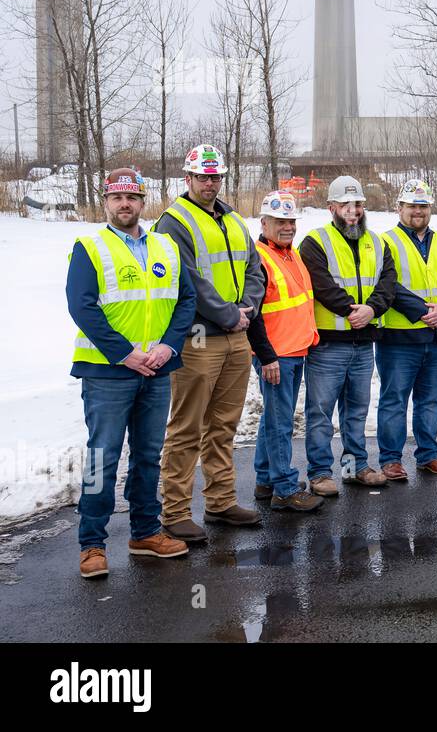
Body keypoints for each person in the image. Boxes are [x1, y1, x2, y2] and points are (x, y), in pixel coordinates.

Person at [67, 168, 196, 578]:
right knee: (100, 457)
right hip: (107, 373)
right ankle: (91, 545)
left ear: (144, 202)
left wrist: (168, 346)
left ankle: (144, 533)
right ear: (106, 202)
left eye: (133, 197)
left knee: (147, 456)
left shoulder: (166, 246)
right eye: (117, 198)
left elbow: (185, 302)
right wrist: (125, 354)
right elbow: (82, 306)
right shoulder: (90, 245)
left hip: (156, 370)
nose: (125, 204)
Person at [154, 144, 266, 543]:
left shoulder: (233, 217)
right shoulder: (174, 221)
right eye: (202, 176)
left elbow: (256, 268)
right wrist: (227, 313)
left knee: (223, 426)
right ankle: (176, 511)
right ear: (187, 179)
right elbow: (187, 280)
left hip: (237, 336)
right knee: (187, 428)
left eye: (215, 176)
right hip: (198, 339)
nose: (209, 183)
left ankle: (220, 501)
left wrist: (247, 308)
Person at [298, 174, 397, 492]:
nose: (353, 211)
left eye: (358, 204)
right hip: (328, 343)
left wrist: (372, 310)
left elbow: (388, 281)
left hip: (362, 342)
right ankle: (320, 473)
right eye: (345, 205)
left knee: (356, 411)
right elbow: (320, 282)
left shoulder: (377, 242)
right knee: (321, 411)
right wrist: (352, 311)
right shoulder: (315, 241)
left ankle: (355, 467)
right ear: (331, 207)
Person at [377, 179, 437, 480]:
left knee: (430, 400)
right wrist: (422, 311)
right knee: (395, 399)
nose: (418, 211)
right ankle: (391, 459)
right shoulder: (384, 242)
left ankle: (429, 454)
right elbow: (387, 284)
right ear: (399, 208)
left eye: (423, 206)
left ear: (430, 208)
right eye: (412, 206)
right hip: (399, 336)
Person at [247, 190, 324, 512]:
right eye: (279, 222)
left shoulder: (290, 254)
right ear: (264, 223)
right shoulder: (260, 259)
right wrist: (266, 357)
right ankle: (284, 488)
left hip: (294, 349)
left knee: (273, 418)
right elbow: (252, 313)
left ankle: (266, 478)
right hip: (276, 355)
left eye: (290, 221)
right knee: (280, 423)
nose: (287, 227)